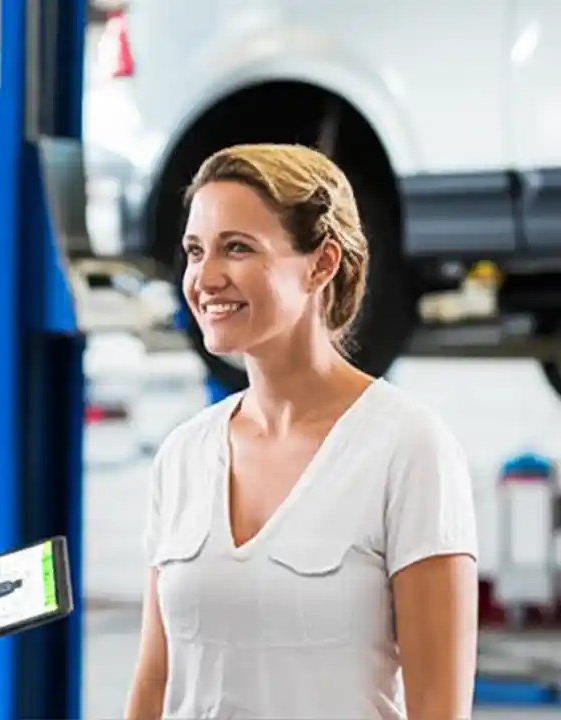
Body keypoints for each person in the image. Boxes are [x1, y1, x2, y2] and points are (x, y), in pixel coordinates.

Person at [124, 144, 479, 719]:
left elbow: (439, 710)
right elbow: (153, 684)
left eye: (237, 248)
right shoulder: (183, 455)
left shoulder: (408, 447)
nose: (205, 277)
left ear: (322, 263)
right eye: (195, 251)